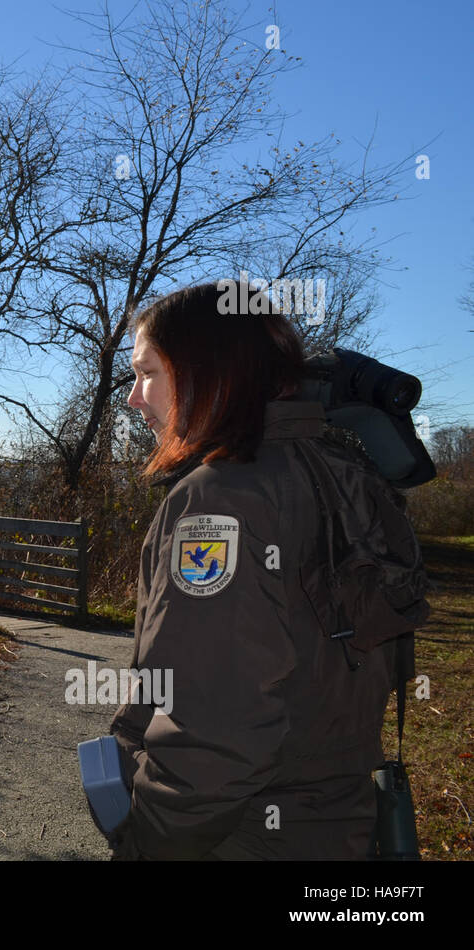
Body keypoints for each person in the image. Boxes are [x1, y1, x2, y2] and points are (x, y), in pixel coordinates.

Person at [105, 281, 397, 860]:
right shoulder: (339, 471)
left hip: (242, 834)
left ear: (207, 373)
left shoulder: (220, 499)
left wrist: (148, 843)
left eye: (147, 374)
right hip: (334, 820)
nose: (135, 399)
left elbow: (215, 728)